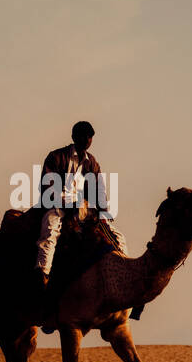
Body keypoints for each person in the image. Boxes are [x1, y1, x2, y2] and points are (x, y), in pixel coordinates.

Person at [35, 121, 125, 291]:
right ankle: (42, 274)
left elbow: (99, 190)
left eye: (89, 136)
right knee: (50, 230)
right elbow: (48, 188)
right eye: (83, 136)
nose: (86, 139)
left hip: (84, 210)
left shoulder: (92, 163)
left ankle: (124, 278)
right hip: (58, 206)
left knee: (117, 236)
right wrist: (68, 202)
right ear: (74, 137)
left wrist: (103, 211)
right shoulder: (56, 157)